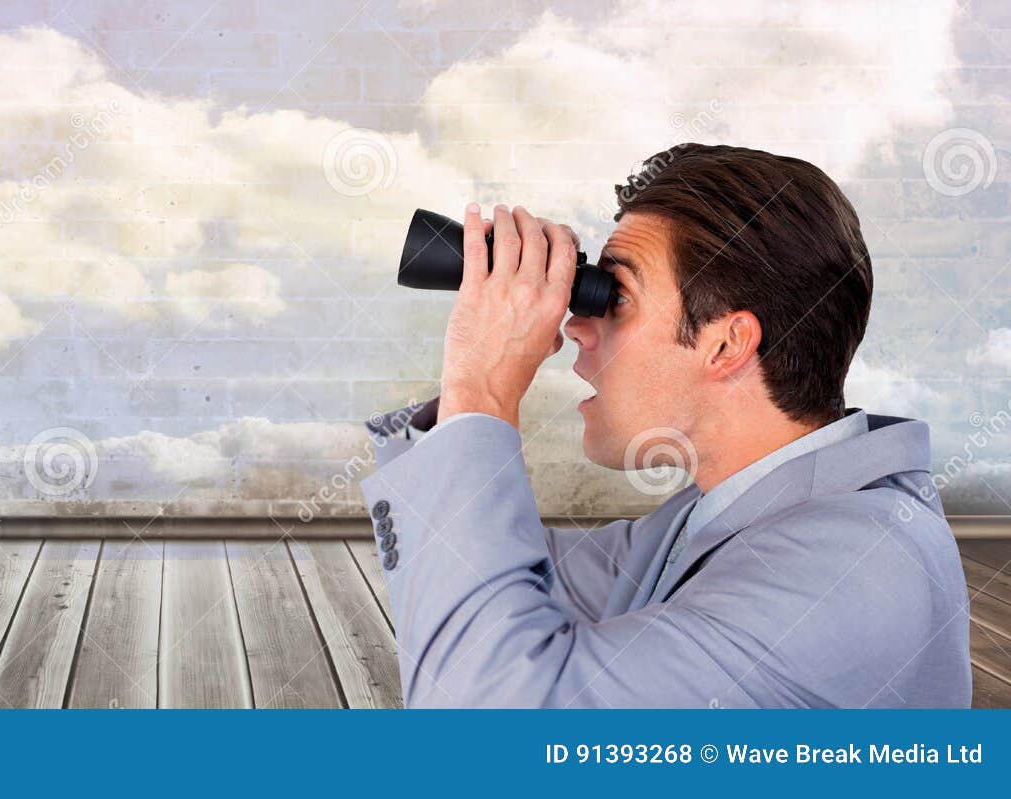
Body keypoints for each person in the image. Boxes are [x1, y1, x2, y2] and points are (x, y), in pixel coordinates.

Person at [362, 144, 971, 708]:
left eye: (615, 295)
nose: (576, 325)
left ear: (726, 343)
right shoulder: (710, 520)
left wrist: (485, 386)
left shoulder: (854, 565)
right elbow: (481, 572)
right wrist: (471, 386)